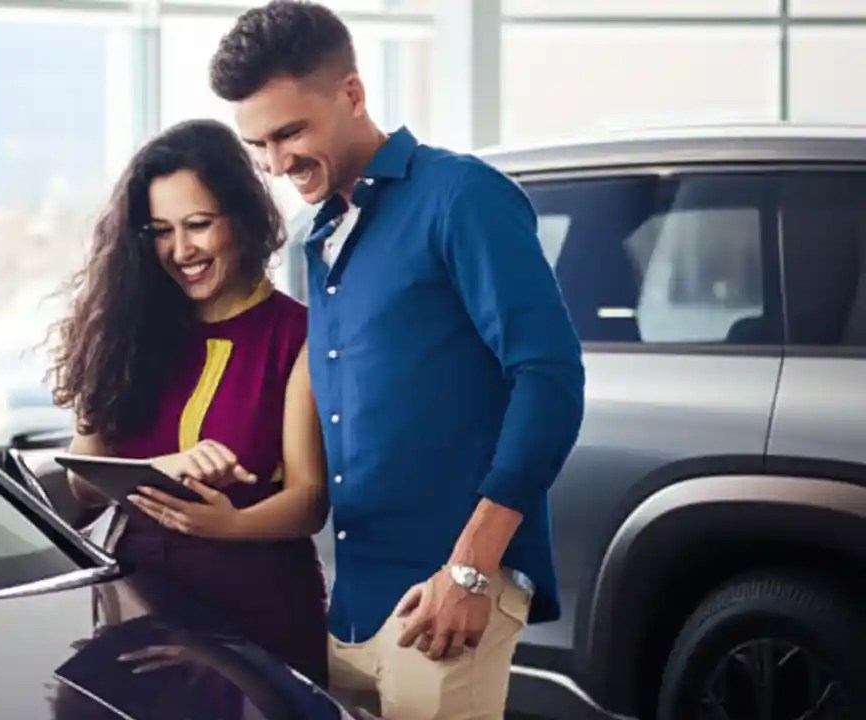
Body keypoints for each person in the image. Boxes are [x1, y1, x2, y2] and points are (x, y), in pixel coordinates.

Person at [209, 2, 587, 717]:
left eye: (290, 132)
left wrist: (471, 570)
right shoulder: (316, 237)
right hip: (348, 597)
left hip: (445, 592)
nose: (276, 163)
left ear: (352, 94)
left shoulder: (461, 195)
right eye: (258, 145)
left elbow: (550, 376)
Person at [48, 118, 331, 689]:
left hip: (258, 610)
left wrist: (230, 525)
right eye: (159, 230)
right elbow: (84, 484)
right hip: (139, 608)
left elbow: (309, 500)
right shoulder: (125, 330)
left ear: (243, 218)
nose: (181, 251)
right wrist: (161, 470)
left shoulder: (297, 334)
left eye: (198, 225)